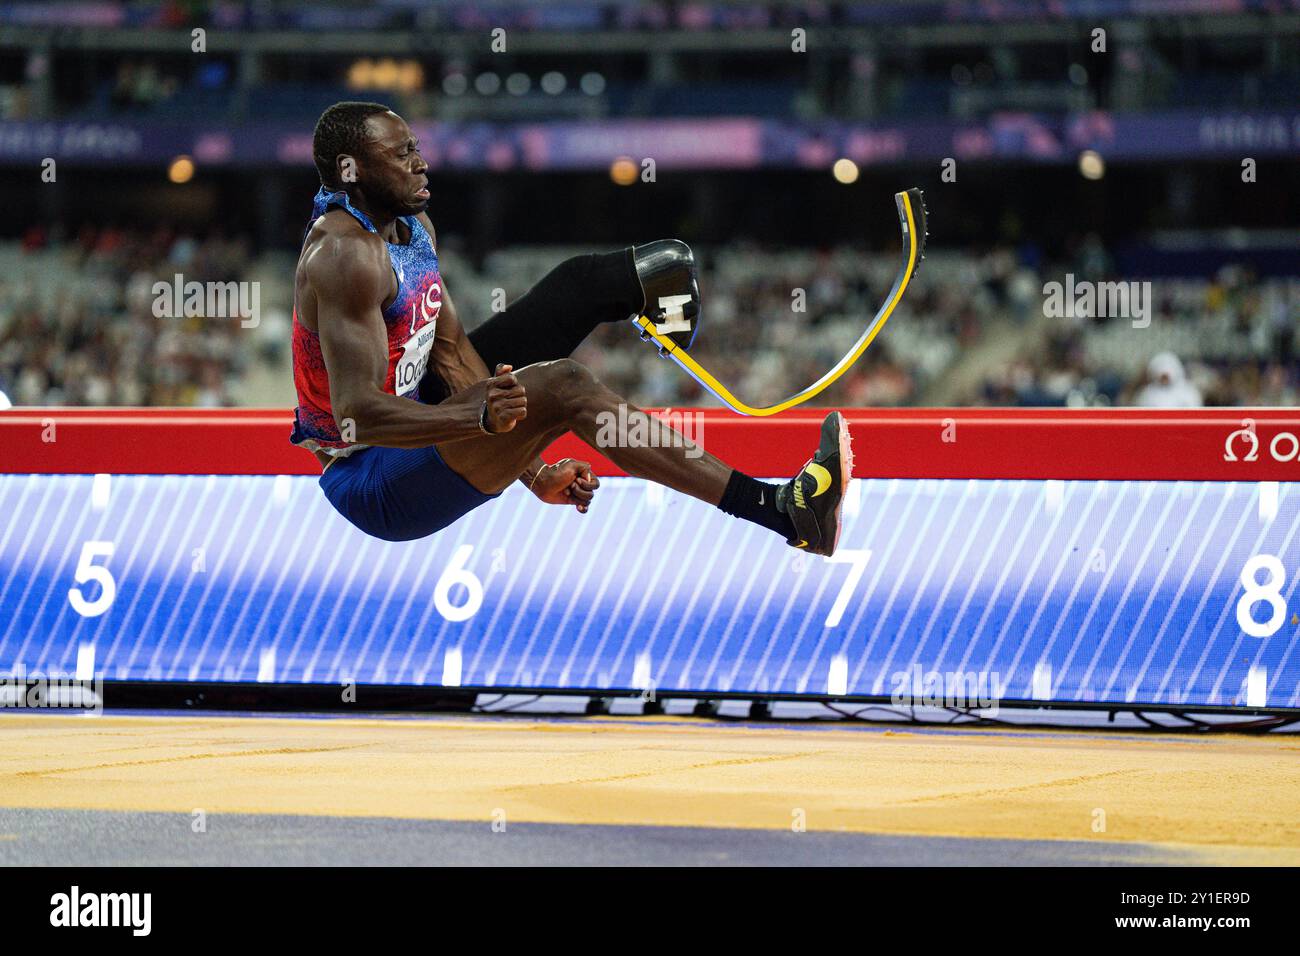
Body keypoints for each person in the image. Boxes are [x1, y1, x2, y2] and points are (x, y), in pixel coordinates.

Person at [290, 102, 850, 556]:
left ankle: (647, 277)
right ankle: (781, 511)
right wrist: (477, 417)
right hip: (371, 478)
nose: (420, 162)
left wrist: (532, 474)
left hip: (418, 420)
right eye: (401, 153)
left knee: (580, 285)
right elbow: (355, 414)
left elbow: (452, 354)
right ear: (350, 170)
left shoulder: (413, 228)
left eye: (416, 148)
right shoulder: (344, 253)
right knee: (563, 387)